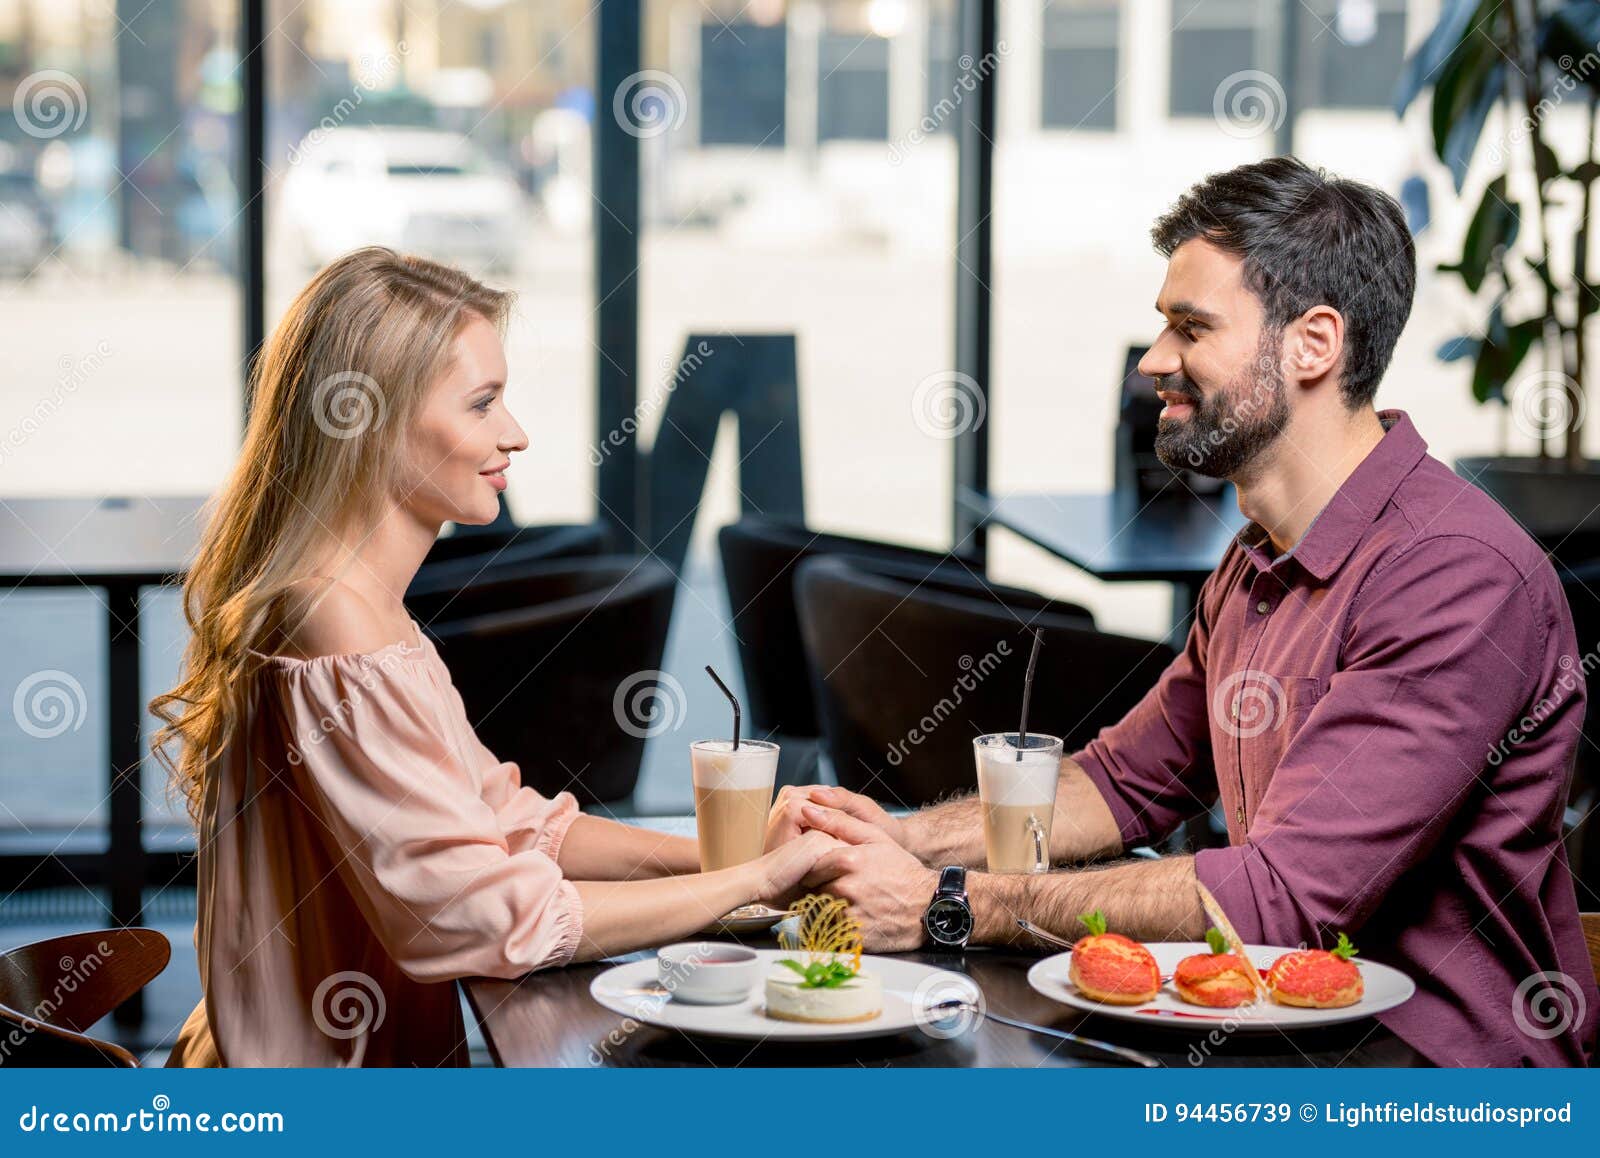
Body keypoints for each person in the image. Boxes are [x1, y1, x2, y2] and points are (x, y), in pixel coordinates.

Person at [773, 157, 1600, 1067]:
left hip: (1439, 1083)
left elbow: (1282, 900)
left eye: (1190, 328)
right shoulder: (1257, 558)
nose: (1153, 361)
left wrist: (954, 897)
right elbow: (1123, 783)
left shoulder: (1455, 577)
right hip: (1278, 1042)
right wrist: (899, 836)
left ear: (1313, 344)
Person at [153, 248, 835, 1066]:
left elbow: (508, 828)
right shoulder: (333, 620)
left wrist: (739, 850)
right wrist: (751, 884)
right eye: (481, 404)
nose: (514, 433)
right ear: (368, 422)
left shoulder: (366, 609)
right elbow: (477, 916)